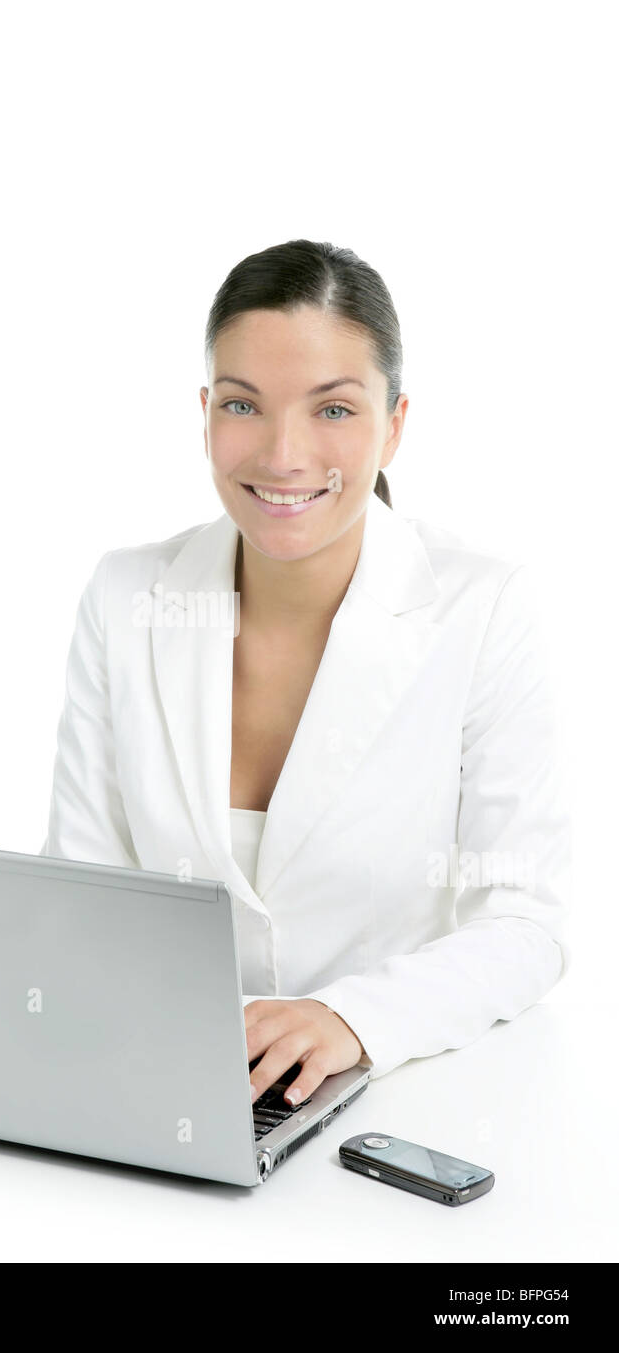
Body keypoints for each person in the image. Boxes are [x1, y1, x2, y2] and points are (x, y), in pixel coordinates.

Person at [40, 238, 570, 1104]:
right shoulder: (127, 595)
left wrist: (350, 1018)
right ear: (206, 412)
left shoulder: (483, 607)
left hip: (396, 1093)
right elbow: (79, 890)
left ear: (394, 425)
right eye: (245, 406)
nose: (283, 455)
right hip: (159, 1085)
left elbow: (526, 921)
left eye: (333, 410)